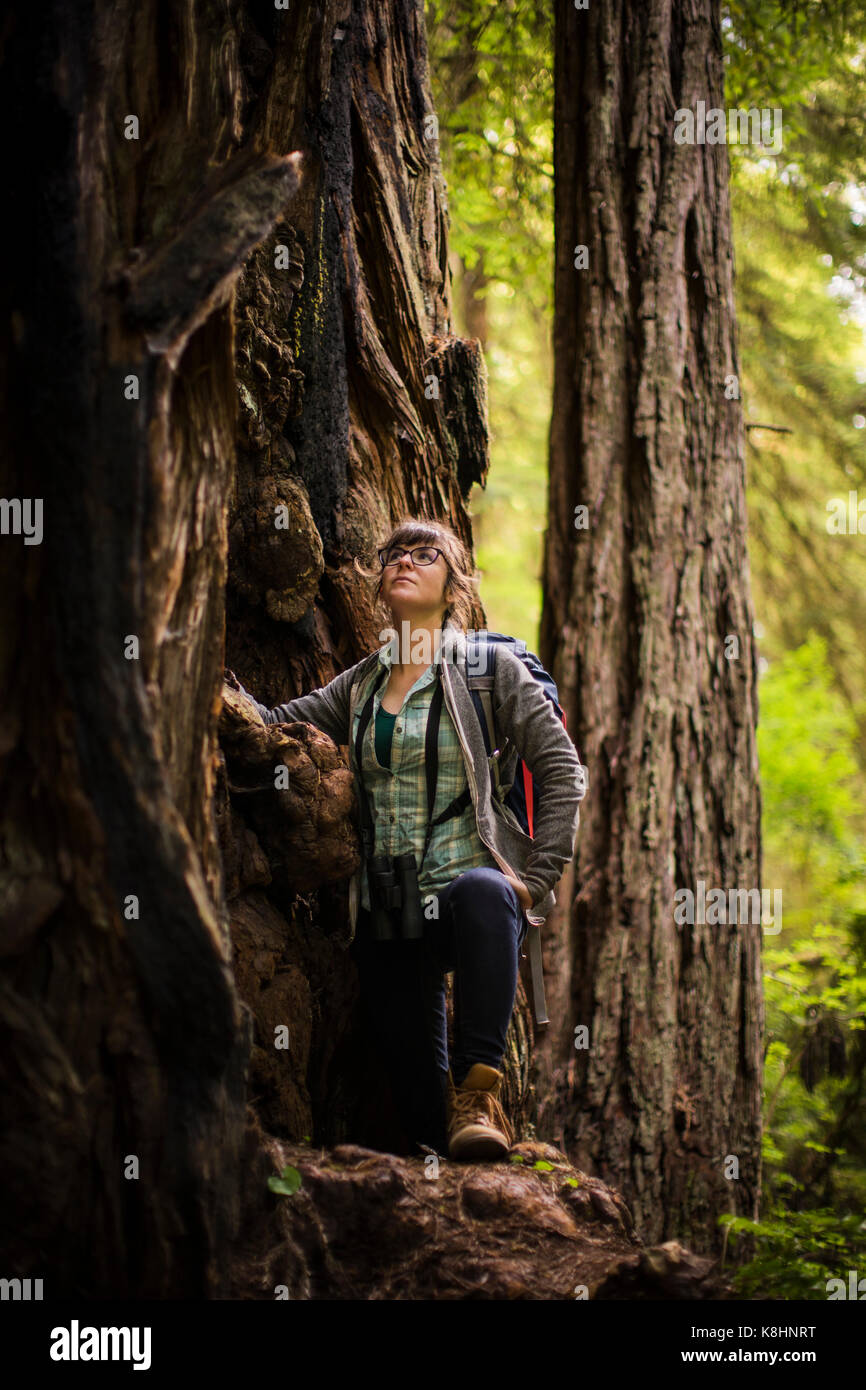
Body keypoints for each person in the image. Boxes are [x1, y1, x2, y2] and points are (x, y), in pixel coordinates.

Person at [232, 516, 585, 1161]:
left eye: (427, 555)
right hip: (384, 914)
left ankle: (480, 1089)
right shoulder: (364, 682)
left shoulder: (488, 667)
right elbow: (274, 724)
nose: (405, 562)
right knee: (425, 1123)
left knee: (484, 893)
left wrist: (534, 881)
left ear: (454, 586)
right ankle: (455, 1153)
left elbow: (563, 769)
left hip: (464, 898)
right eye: (394, 554)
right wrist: (213, 690)